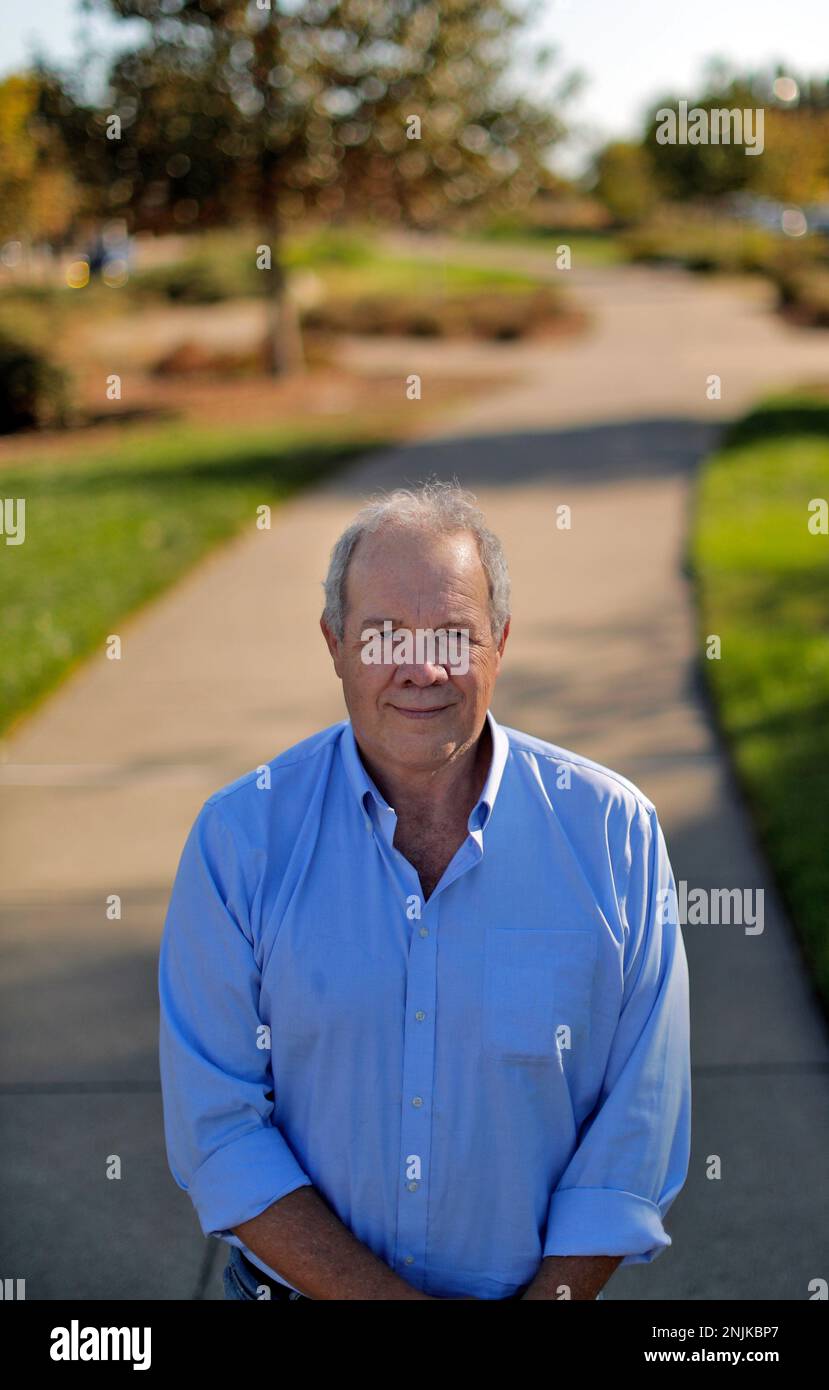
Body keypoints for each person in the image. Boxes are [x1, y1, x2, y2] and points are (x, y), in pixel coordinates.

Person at [158, 481, 691, 1301]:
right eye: (382, 635)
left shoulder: (613, 833)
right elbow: (218, 1130)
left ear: (500, 642)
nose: (421, 668)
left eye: (454, 634)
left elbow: (637, 1126)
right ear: (333, 644)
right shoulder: (240, 839)